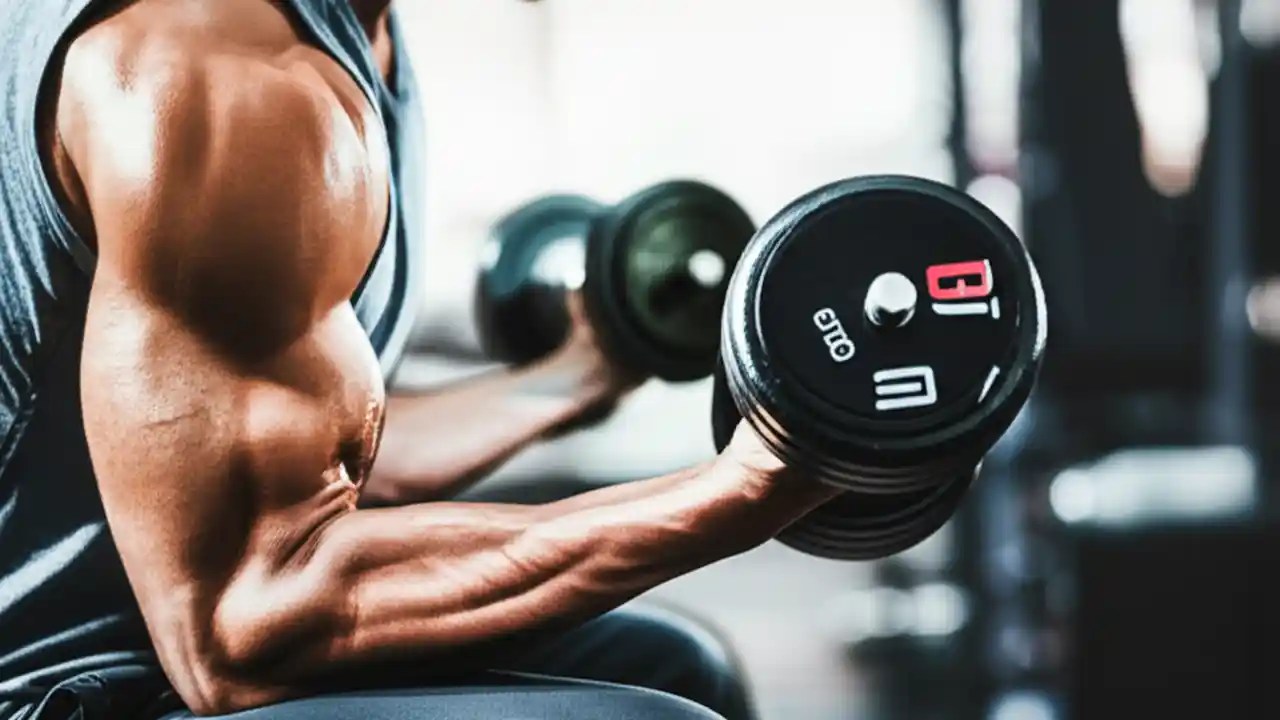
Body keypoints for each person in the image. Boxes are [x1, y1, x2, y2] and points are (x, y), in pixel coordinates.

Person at [0, 1, 838, 718]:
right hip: (59, 688)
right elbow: (240, 626)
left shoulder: (345, 35)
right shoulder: (217, 75)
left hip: (168, 634)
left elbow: (311, 462)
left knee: (677, 664)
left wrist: (577, 375)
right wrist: (744, 492)